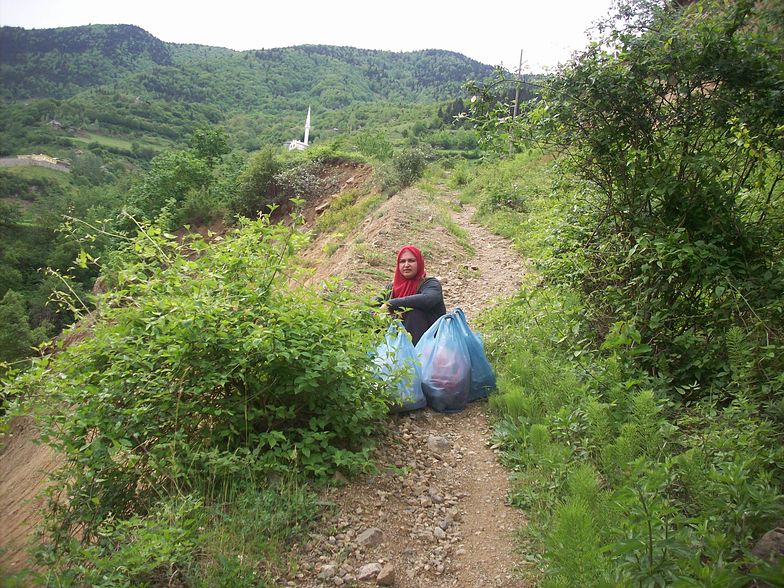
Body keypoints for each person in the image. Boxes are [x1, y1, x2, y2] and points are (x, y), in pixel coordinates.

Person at [382, 245, 446, 345]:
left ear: (419, 263)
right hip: (395, 346)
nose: (406, 265)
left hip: (432, 345)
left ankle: (416, 358)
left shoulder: (430, 284)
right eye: (402, 261)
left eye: (411, 261)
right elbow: (373, 304)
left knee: (413, 313)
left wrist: (392, 304)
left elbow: (429, 299)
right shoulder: (391, 288)